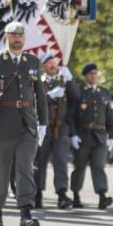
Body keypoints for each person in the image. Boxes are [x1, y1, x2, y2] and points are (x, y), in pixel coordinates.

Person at [0, 21, 47, 226]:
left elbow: (39, 94)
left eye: (20, 36)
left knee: (25, 167)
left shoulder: (33, 60)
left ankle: (25, 213)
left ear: (24, 38)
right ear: (6, 38)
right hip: (3, 122)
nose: (17, 39)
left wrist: (43, 122)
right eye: (13, 35)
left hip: (27, 123)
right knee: (0, 169)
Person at [70, 62, 113, 210]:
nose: (94, 76)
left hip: (100, 135)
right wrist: (73, 134)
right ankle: (76, 195)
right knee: (79, 167)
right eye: (91, 73)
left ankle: (102, 196)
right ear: (85, 76)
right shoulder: (78, 90)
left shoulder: (104, 92)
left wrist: (111, 136)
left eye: (96, 73)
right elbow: (71, 116)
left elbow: (110, 117)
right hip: (83, 135)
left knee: (99, 166)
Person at [34, 53, 75, 209]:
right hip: (43, 127)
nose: (52, 65)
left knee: (61, 162)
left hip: (61, 128)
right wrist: (49, 96)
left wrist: (70, 80)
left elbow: (76, 95)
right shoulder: (39, 81)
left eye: (54, 62)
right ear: (43, 66)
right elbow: (35, 100)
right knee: (39, 162)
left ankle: (62, 193)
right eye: (48, 63)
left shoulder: (63, 80)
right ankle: (37, 193)